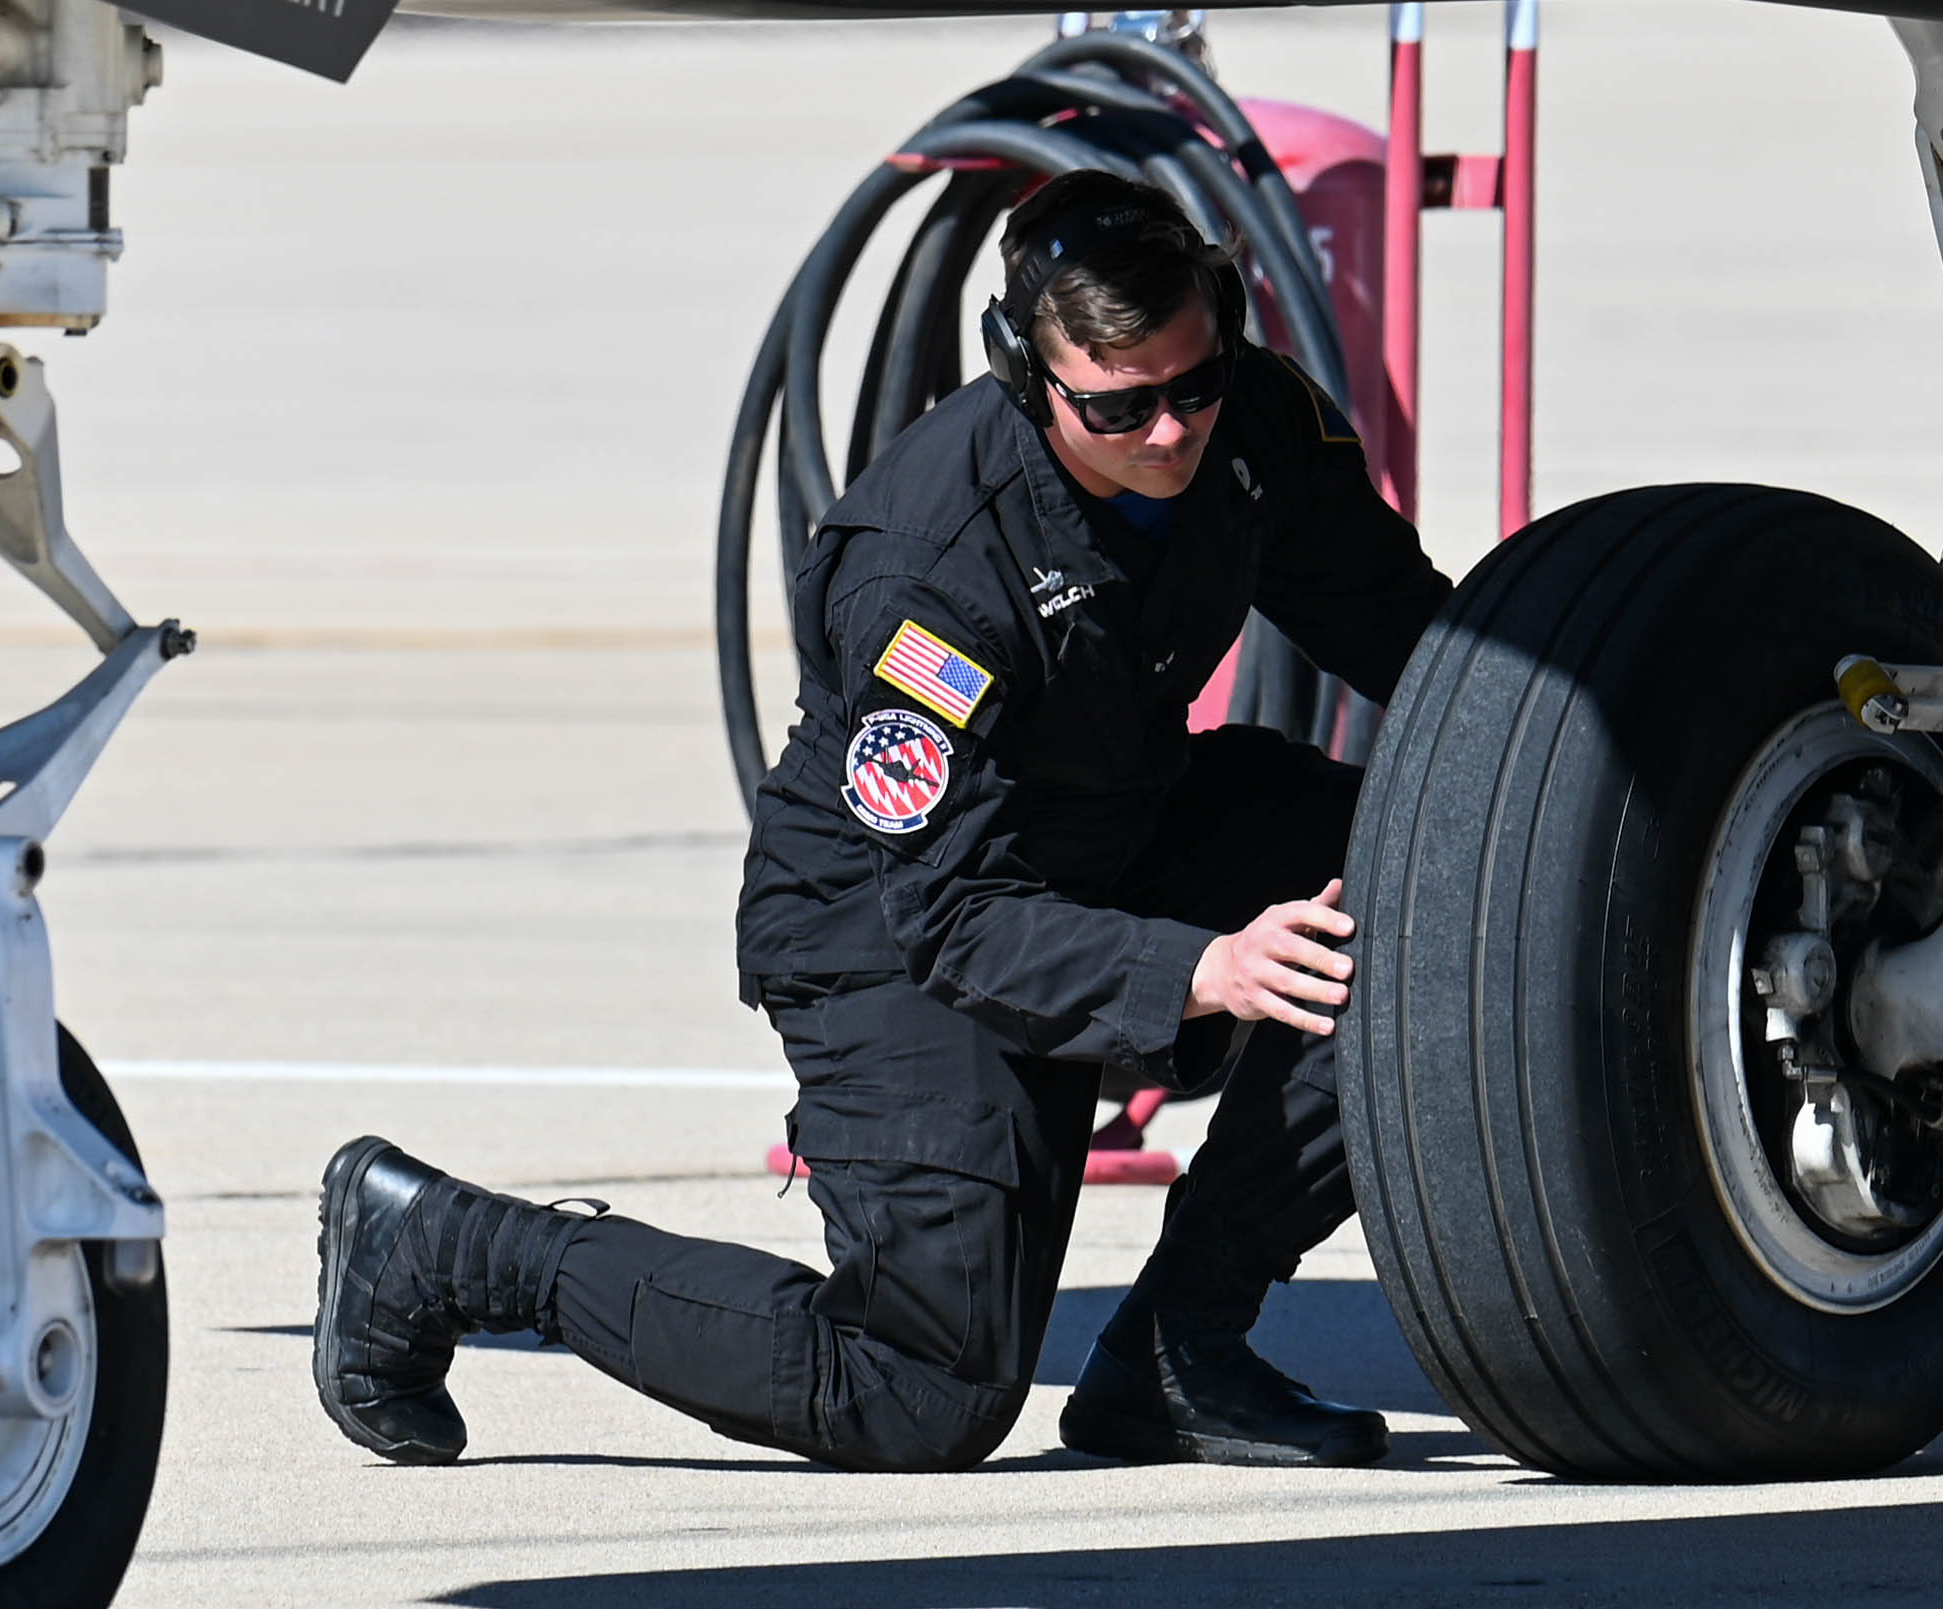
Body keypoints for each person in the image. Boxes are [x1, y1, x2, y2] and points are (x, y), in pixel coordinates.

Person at [313, 169, 1455, 1473]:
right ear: (1026, 371)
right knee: (919, 1392)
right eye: (1118, 405)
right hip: (896, 927)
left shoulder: (1247, 425)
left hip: (1115, 830)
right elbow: (955, 914)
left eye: (1191, 387)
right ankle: (446, 1244)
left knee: (1436, 879)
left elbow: (1418, 641)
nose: (1167, 432)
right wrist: (1202, 969)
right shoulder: (932, 566)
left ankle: (1179, 1348)